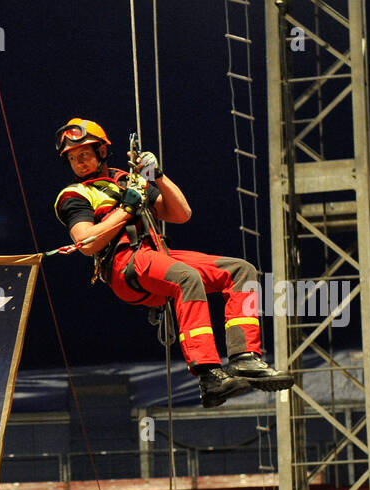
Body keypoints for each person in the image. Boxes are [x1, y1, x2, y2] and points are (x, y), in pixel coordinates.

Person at [53, 118, 293, 409]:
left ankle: (244, 357)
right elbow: (87, 243)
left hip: (158, 256)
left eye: (85, 154)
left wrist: (157, 176)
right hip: (125, 263)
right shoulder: (75, 195)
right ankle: (208, 373)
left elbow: (181, 213)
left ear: (102, 151)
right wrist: (125, 209)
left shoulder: (127, 180)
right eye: (73, 158)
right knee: (187, 277)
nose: (79, 162)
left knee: (242, 271)